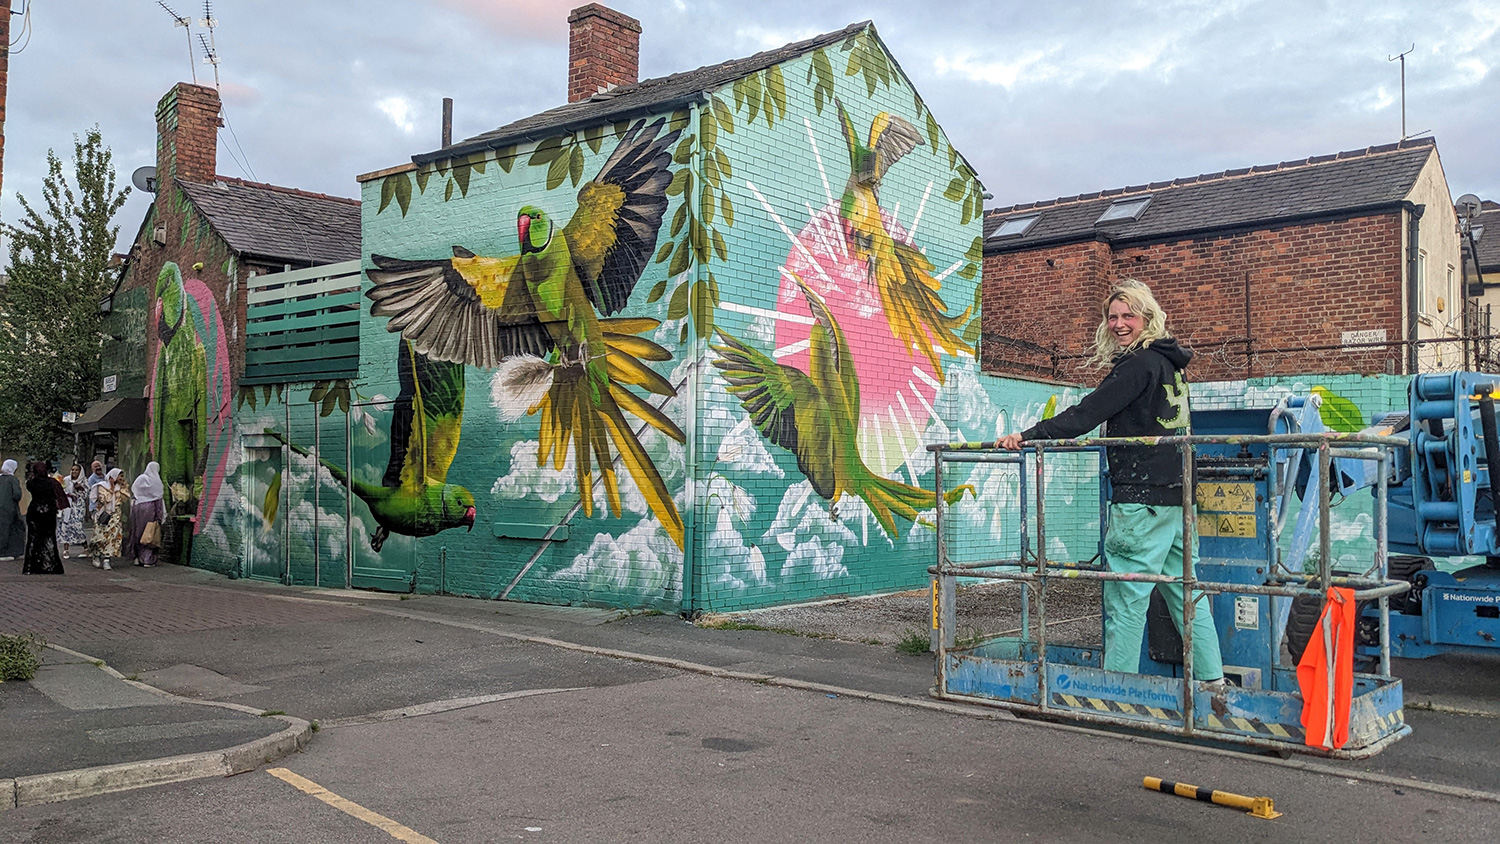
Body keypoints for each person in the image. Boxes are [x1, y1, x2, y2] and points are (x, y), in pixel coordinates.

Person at [997, 279, 1224, 683]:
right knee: (1188, 596)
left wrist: (1027, 436)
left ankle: (1114, 693)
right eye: (1113, 316)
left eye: (1128, 315)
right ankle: (1212, 686)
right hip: (1176, 499)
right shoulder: (1170, 364)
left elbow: (1088, 413)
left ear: (1147, 317)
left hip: (1141, 500)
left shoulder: (1138, 365)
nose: (1119, 324)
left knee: (1125, 600)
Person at [22, 461, 64, 575]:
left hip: (34, 510)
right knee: (49, 537)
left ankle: (30, 566)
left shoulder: (31, 483)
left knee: (32, 538)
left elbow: (30, 485)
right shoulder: (52, 483)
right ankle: (52, 565)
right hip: (49, 511)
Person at [88, 468, 129, 570]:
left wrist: (123, 488)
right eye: (120, 476)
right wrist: (111, 489)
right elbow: (103, 499)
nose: (121, 478)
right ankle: (96, 554)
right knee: (100, 536)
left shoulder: (122, 488)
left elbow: (125, 499)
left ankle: (107, 559)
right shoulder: (102, 486)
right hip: (104, 513)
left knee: (113, 537)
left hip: (116, 515)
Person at [128, 462, 166, 567]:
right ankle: (147, 559)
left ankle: (136, 557)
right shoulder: (157, 482)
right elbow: (158, 502)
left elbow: (134, 491)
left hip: (137, 509)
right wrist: (159, 518)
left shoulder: (141, 479)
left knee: (137, 532)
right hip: (150, 511)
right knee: (149, 534)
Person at [57, 464, 89, 558]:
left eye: (76, 470)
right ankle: (66, 550)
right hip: (68, 505)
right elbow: (61, 491)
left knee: (77, 527)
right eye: (73, 469)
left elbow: (86, 495)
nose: (74, 472)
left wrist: (80, 488)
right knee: (65, 526)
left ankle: (86, 548)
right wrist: (68, 494)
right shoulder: (66, 480)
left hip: (78, 507)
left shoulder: (84, 481)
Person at [0, 459, 24, 561]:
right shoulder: (12, 479)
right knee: (13, 530)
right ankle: (9, 552)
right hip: (10, 509)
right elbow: (17, 495)